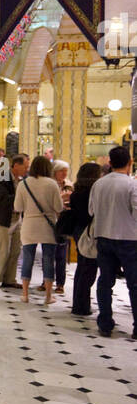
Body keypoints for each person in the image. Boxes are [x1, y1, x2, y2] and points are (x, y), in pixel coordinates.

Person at [89, 144, 137, 338]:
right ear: (129, 162)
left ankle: (105, 323)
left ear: (109, 163)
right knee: (134, 284)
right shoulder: (131, 184)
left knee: (105, 281)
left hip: (103, 236)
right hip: (129, 238)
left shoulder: (99, 183)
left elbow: (91, 210)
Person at [14, 155, 63, 305]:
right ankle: (48, 296)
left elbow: (18, 207)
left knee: (27, 259)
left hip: (29, 225)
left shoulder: (24, 184)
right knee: (48, 260)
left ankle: (25, 294)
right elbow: (59, 207)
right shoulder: (52, 184)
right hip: (47, 226)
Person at [66, 162, 102, 317]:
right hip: (90, 231)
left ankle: (79, 304)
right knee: (88, 269)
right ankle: (81, 307)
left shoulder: (76, 192)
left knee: (82, 267)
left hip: (78, 231)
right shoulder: (93, 193)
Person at [0, 153, 29, 289]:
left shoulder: (23, 180)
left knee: (15, 250)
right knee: (3, 250)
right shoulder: (3, 177)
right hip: (4, 219)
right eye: (25, 166)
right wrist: (21, 195)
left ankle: (9, 279)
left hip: (17, 218)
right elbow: (2, 197)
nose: (27, 169)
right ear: (16, 165)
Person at [49, 160, 72, 293]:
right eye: (61, 171)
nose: (64, 173)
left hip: (63, 223)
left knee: (61, 255)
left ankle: (60, 284)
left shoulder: (69, 186)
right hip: (50, 222)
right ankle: (47, 281)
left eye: (65, 171)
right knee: (48, 254)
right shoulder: (49, 185)